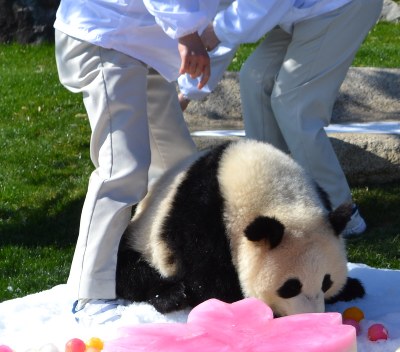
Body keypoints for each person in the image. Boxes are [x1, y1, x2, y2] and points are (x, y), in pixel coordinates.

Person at [54, 0, 215, 325]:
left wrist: (194, 37)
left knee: (183, 168)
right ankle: (88, 292)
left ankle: (171, 265)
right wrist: (186, 33)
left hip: (146, 46)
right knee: (122, 168)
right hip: (106, 32)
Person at [178, 0, 382, 238]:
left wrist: (217, 31)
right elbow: (220, 27)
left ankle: (342, 215)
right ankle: (273, 202)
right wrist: (185, 95)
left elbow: (232, 23)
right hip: (293, 9)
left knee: (294, 104)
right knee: (255, 80)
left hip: (340, 6)